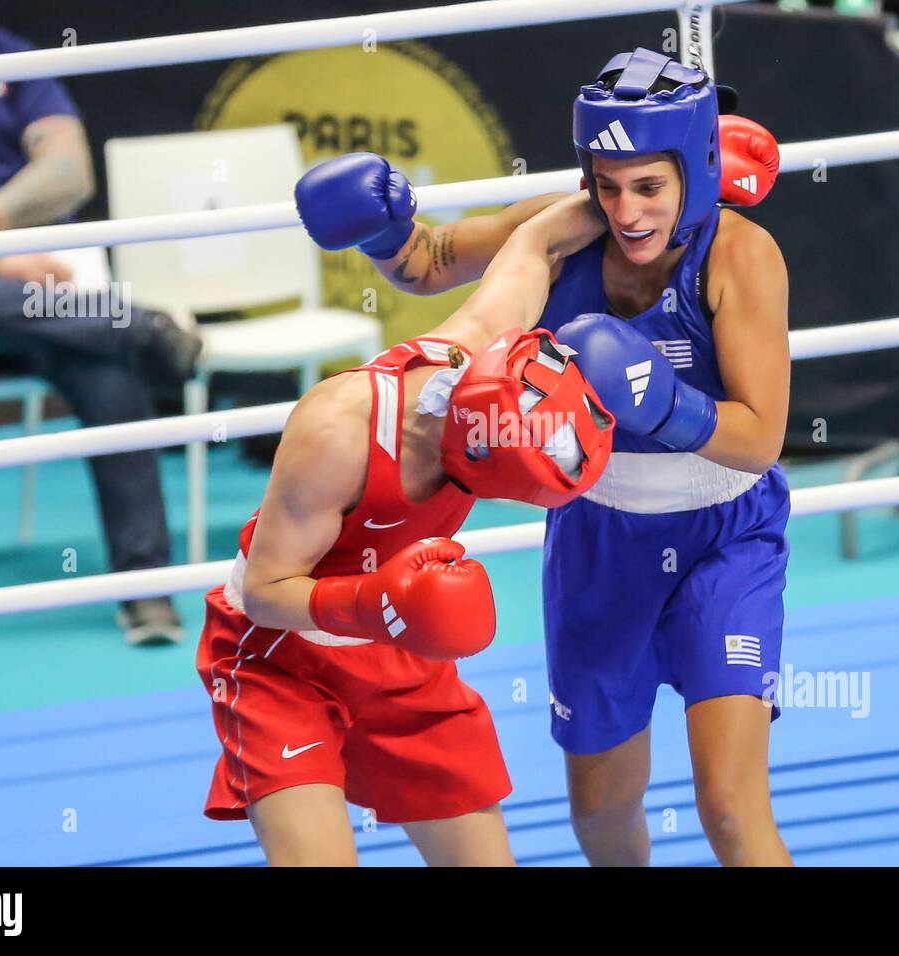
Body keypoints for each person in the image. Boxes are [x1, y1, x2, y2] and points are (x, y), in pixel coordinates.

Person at [299, 47, 791, 865]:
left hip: (725, 537)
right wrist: (382, 230)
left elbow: (760, 438)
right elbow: (428, 261)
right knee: (600, 812)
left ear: (698, 171)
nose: (625, 209)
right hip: (599, 538)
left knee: (731, 808)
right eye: (607, 183)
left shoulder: (742, 256)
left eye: (649, 187)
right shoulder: (559, 231)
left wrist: (665, 403)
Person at [198, 186, 614, 866]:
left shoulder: (486, 345)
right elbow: (268, 590)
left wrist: (675, 173)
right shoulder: (339, 430)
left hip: (404, 651)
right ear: (475, 449)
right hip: (283, 659)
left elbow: (539, 239)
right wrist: (375, 603)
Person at [0, 0, 202, 644]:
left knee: (97, 362)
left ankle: (143, 587)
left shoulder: (7, 56)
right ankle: (137, 328)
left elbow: (69, 171)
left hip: (40, 305)